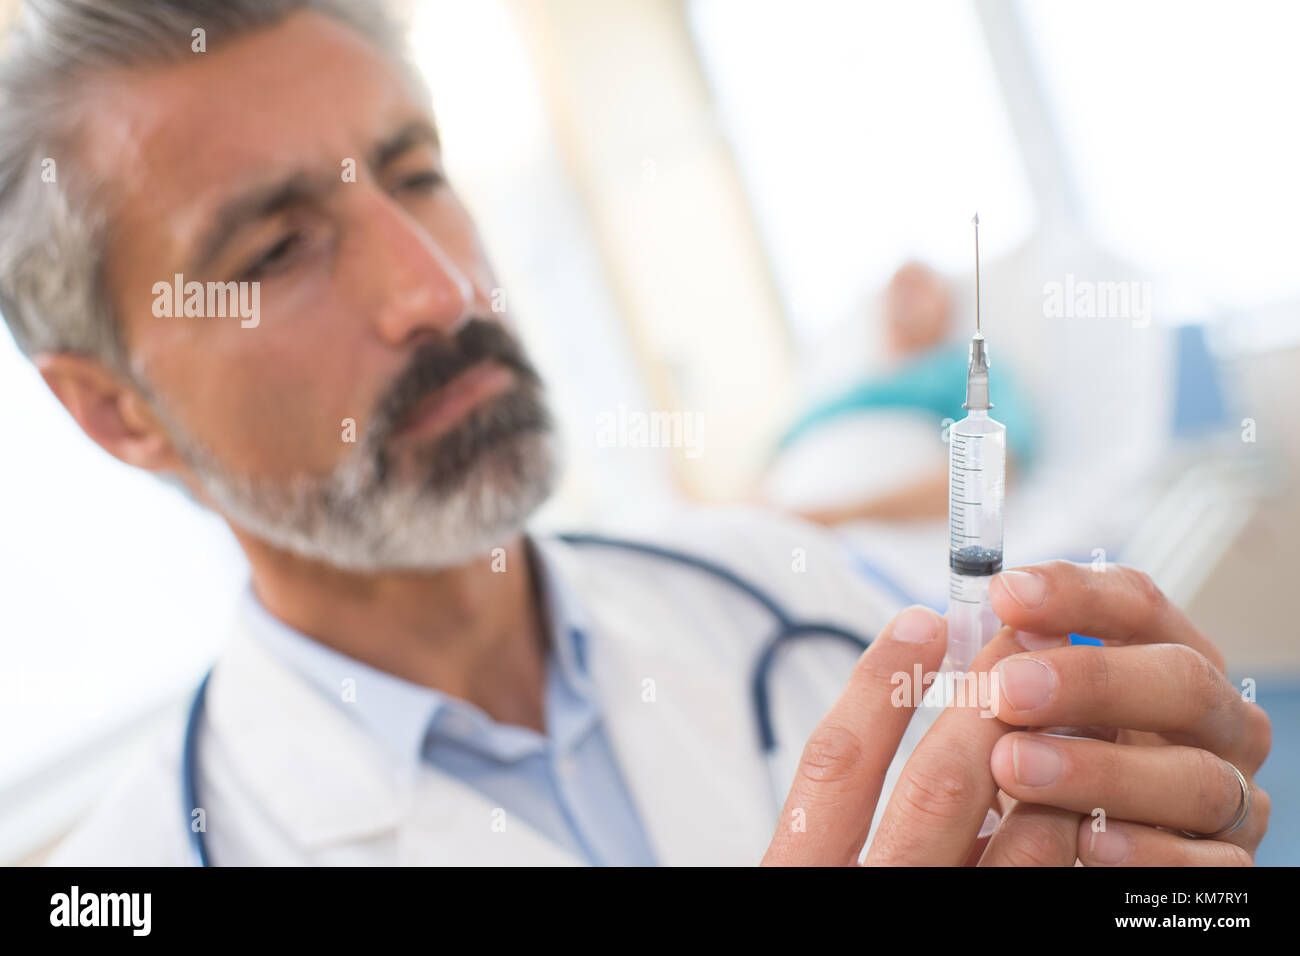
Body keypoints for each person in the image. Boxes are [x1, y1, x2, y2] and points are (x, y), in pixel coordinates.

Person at [0, 0, 1269, 866]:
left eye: (416, 174)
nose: (439, 288)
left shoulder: (785, 591)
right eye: (277, 249)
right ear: (115, 410)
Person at [778, 261, 1036, 526]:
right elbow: (782, 447)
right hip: (782, 516)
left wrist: (842, 515)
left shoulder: (964, 369)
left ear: (946, 307)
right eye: (896, 290)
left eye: (917, 287)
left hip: (859, 532)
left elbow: (994, 465)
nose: (902, 298)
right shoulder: (851, 387)